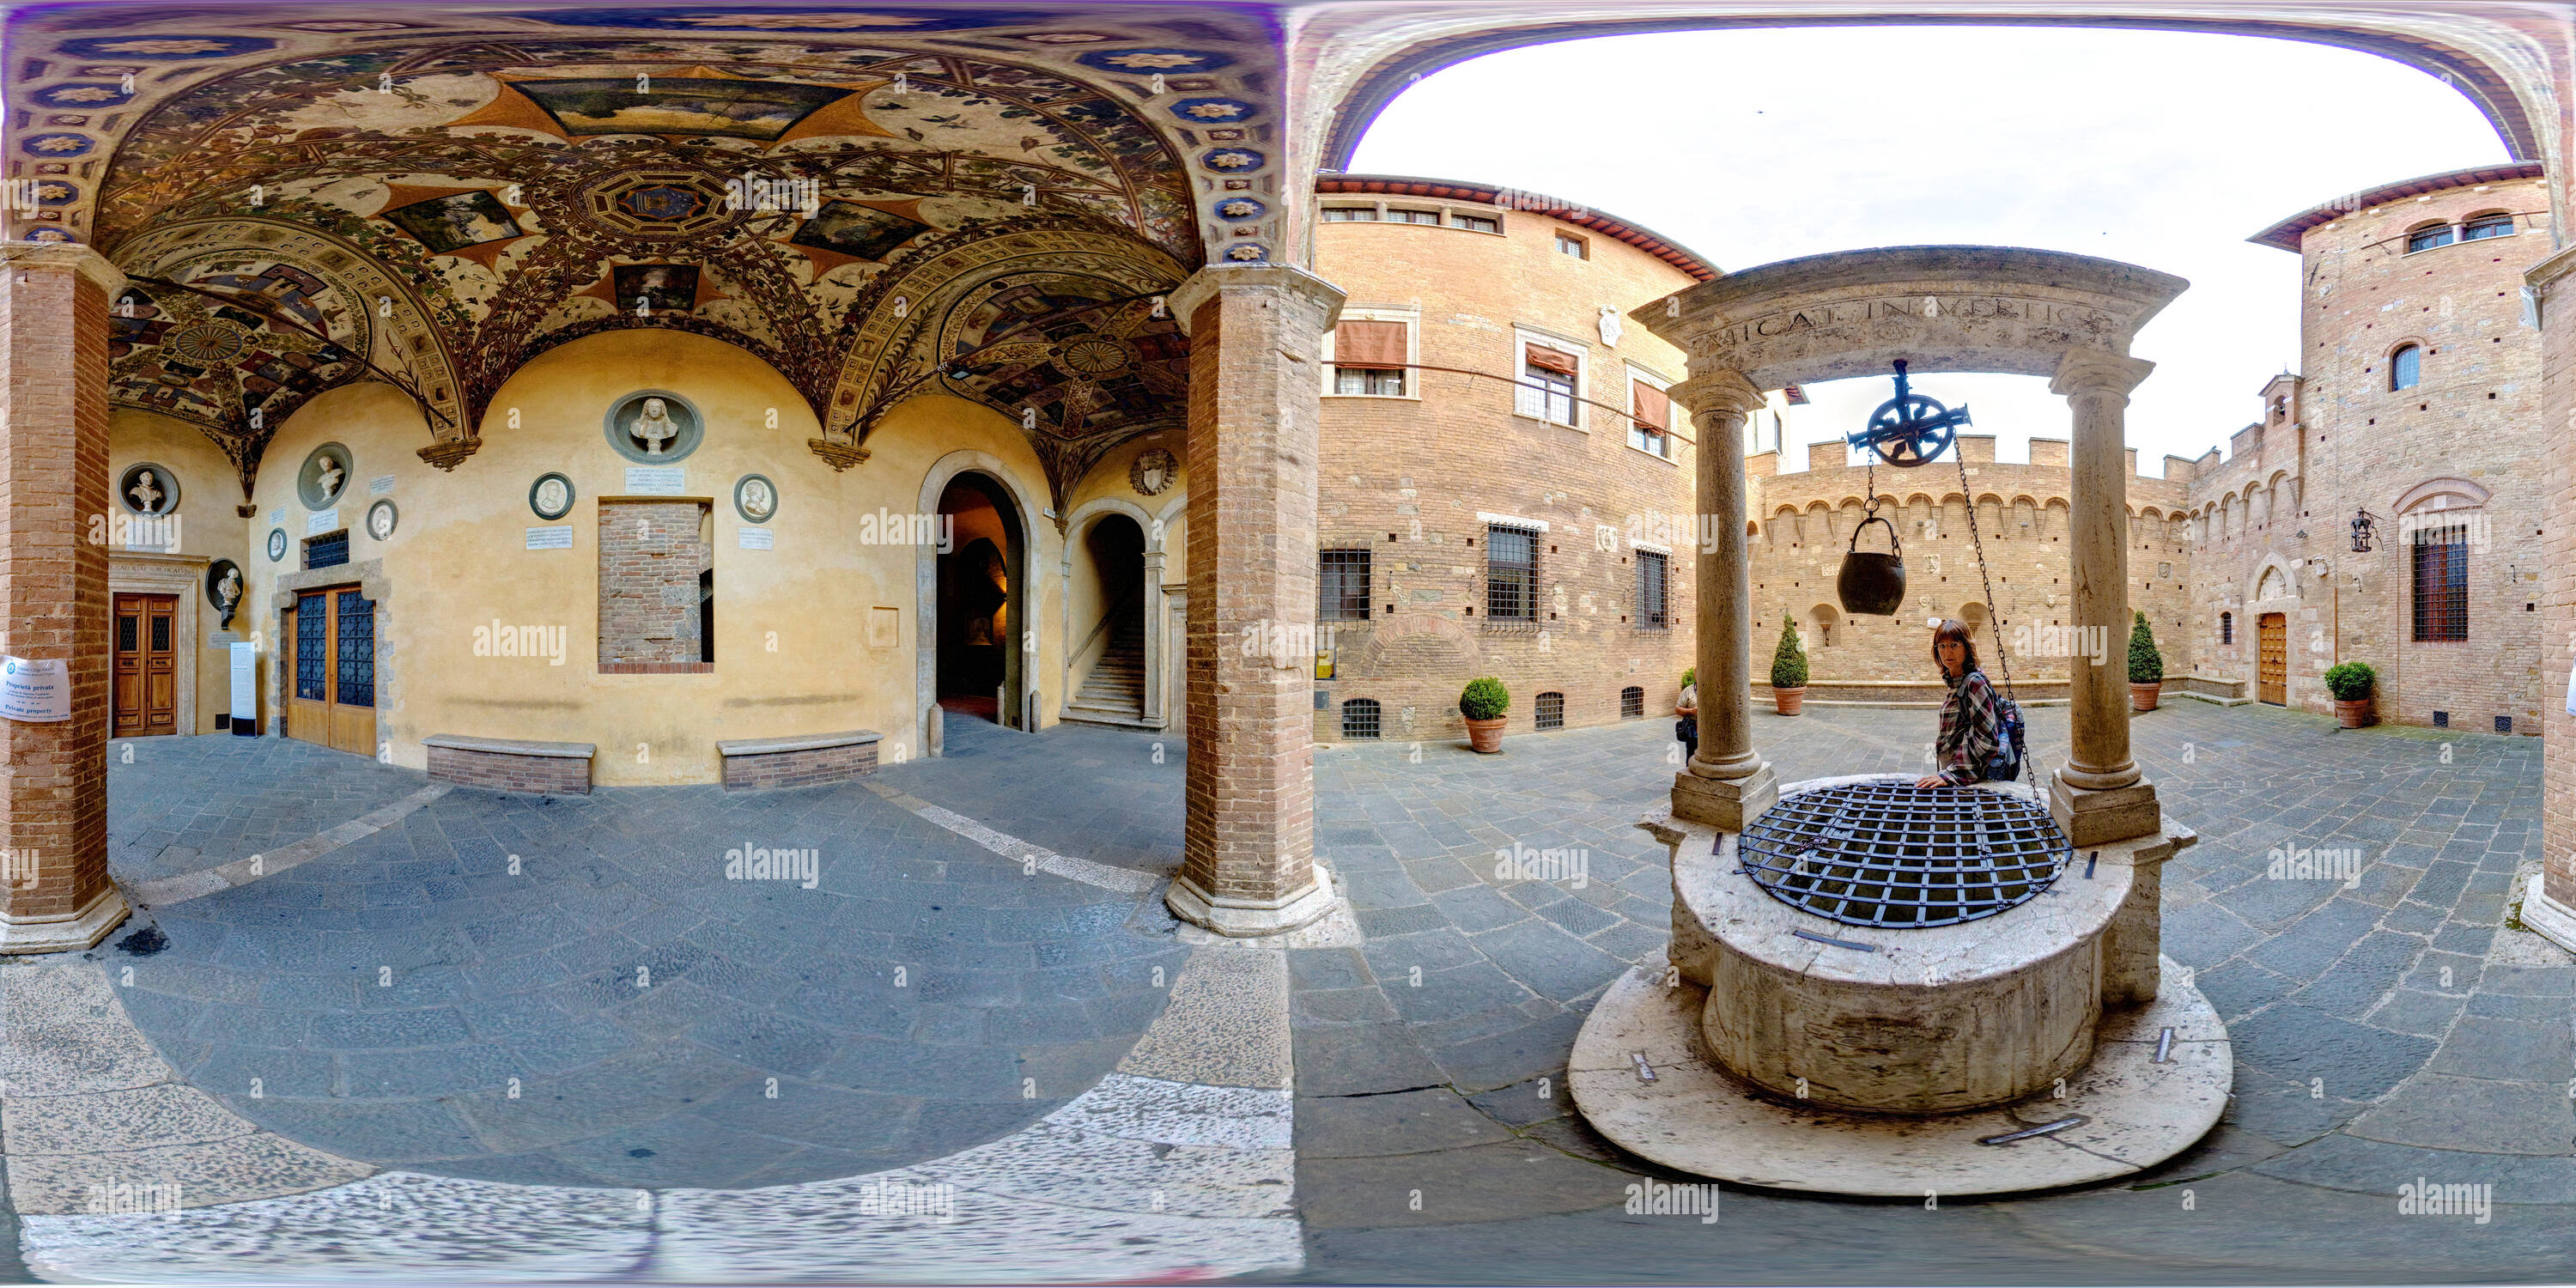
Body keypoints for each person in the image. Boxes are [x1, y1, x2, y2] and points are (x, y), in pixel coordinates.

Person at [1917, 618, 2003, 789]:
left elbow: (1987, 741)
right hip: (1953, 772)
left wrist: (1952, 775)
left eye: (1954, 645)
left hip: (1967, 778)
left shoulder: (1974, 683)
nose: (1947, 652)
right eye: (1942, 646)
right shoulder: (1955, 682)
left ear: (1967, 647)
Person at [1674, 671, 1698, 762]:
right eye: (1698, 673)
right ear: (1694, 675)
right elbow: (1677, 709)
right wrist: (1691, 711)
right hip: (1694, 730)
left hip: (1711, 730)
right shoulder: (1688, 691)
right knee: (1691, 757)